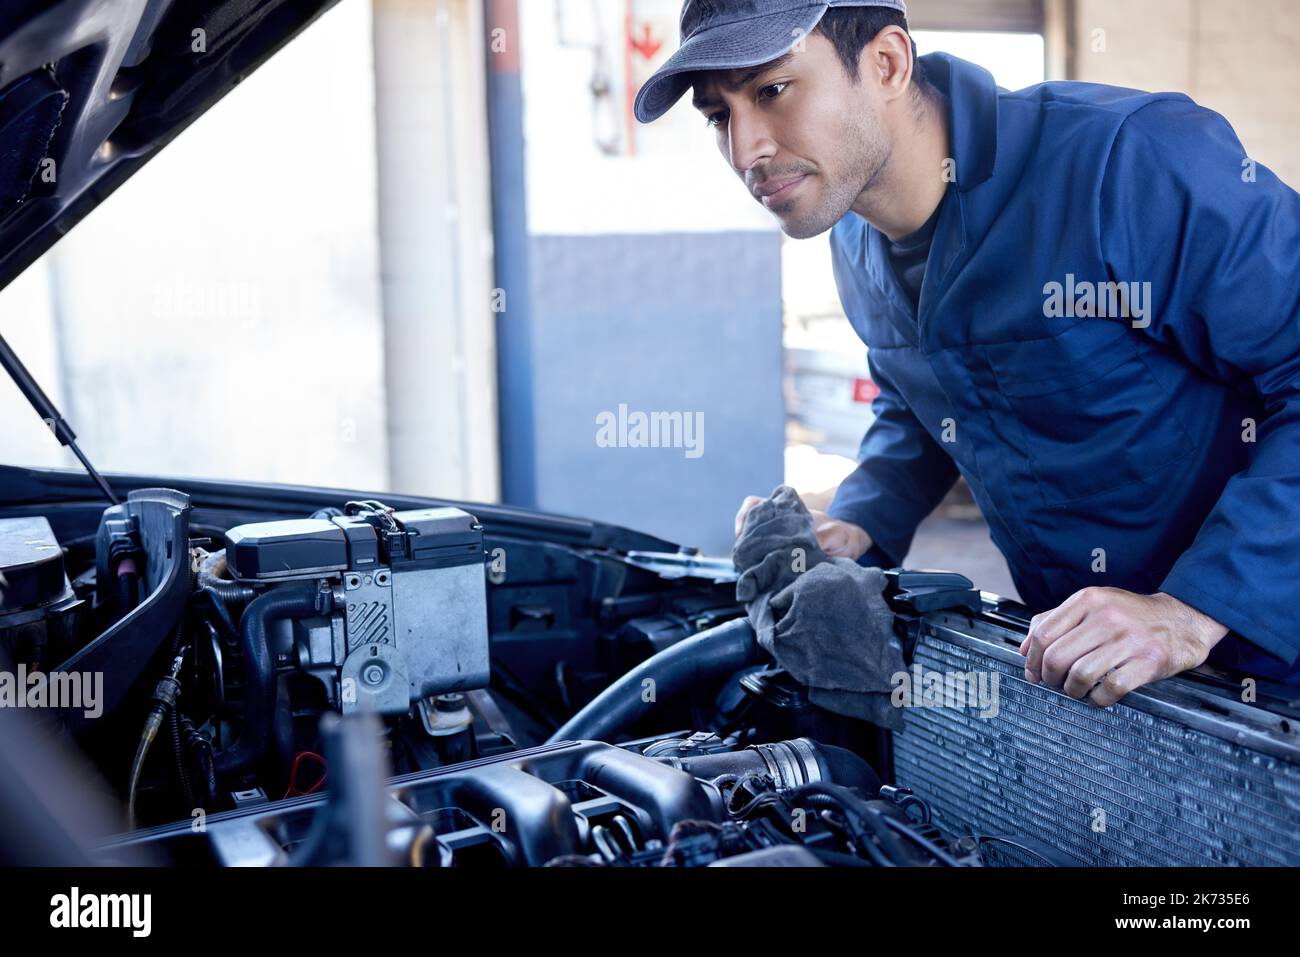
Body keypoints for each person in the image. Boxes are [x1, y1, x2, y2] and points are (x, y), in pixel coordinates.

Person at [634, 0, 1300, 706]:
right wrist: (863, 520)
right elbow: (925, 404)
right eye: (718, 115)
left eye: (772, 90)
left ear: (886, 63)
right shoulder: (855, 239)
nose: (746, 151)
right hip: (1093, 677)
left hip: (1269, 661)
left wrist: (1191, 609)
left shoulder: (1126, 163)